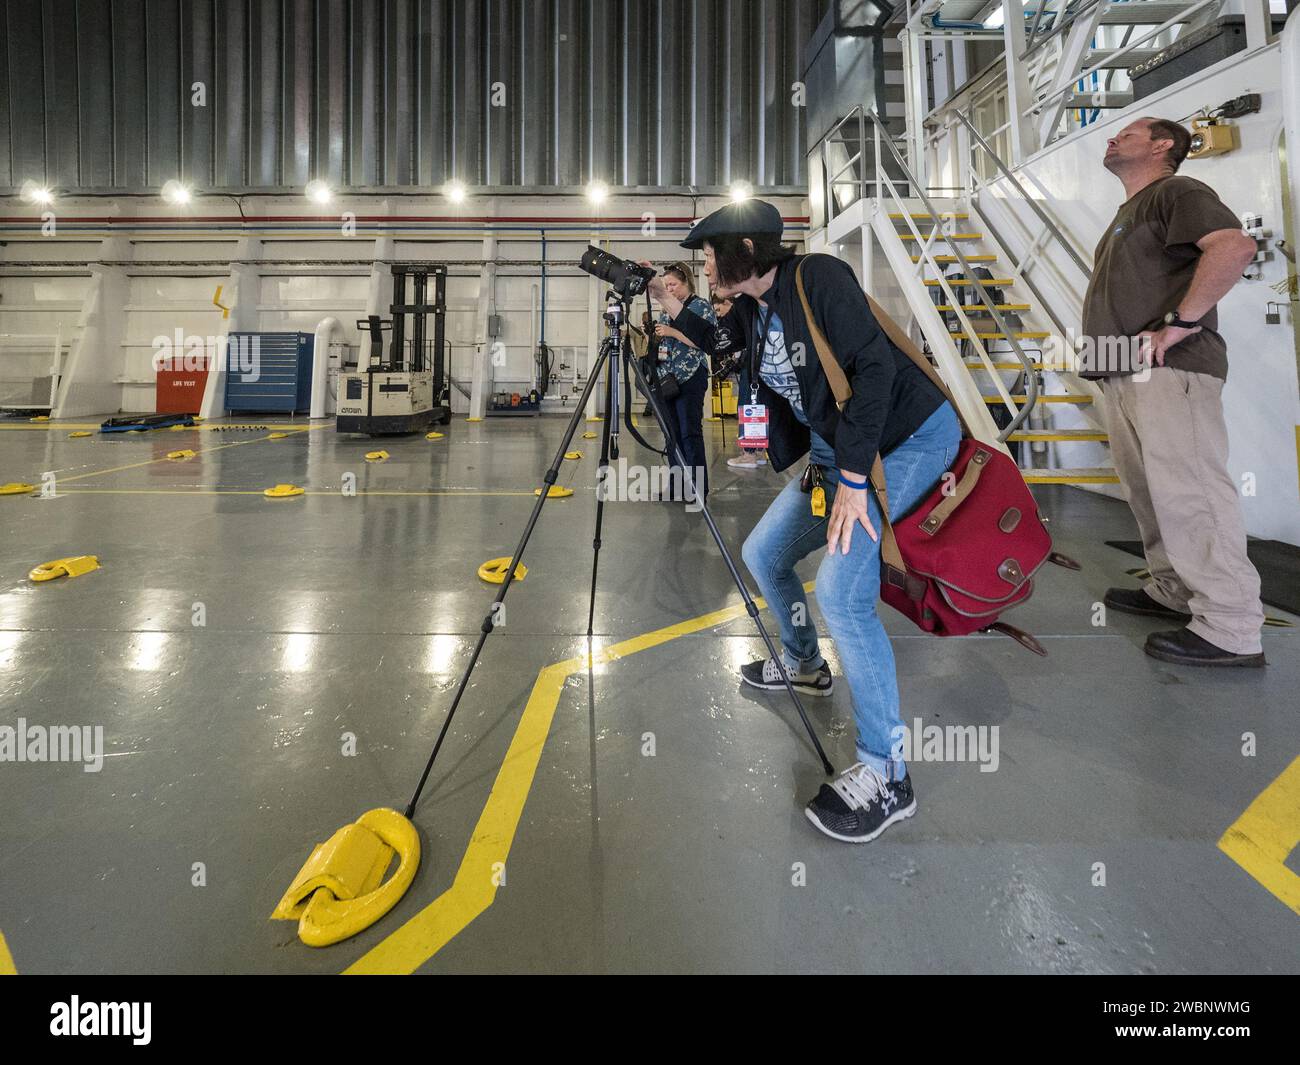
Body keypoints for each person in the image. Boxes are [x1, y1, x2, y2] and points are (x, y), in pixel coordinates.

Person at [648, 200, 961, 844]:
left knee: (845, 598)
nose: (703, 265)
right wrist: (666, 300)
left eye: (709, 254)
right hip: (836, 448)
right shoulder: (756, 309)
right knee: (765, 554)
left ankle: (888, 772)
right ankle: (806, 664)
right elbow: (718, 346)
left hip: (906, 439)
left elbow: (873, 369)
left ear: (745, 250)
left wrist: (853, 481)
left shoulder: (817, 277)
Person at [1081, 117, 1265, 667]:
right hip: (1122, 370)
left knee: (1192, 493)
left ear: (1163, 146)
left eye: (1128, 134)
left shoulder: (1177, 191)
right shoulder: (1129, 212)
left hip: (1172, 368)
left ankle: (1231, 627)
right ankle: (1173, 590)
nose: (1112, 139)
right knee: (1150, 492)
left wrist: (1180, 323)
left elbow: (1233, 246)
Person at [652, 262, 715, 503]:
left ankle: (698, 489)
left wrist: (672, 332)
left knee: (690, 434)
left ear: (686, 282)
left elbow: (704, 342)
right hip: (668, 378)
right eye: (666, 285)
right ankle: (675, 486)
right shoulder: (666, 309)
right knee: (672, 436)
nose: (669, 289)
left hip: (691, 376)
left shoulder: (701, 306)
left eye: (673, 284)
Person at [710, 292, 768, 471]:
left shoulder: (742, 313)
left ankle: (748, 454)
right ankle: (758, 451)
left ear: (729, 303)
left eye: (720, 310)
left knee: (747, 408)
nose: (720, 315)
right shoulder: (752, 317)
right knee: (758, 408)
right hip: (756, 369)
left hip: (752, 371)